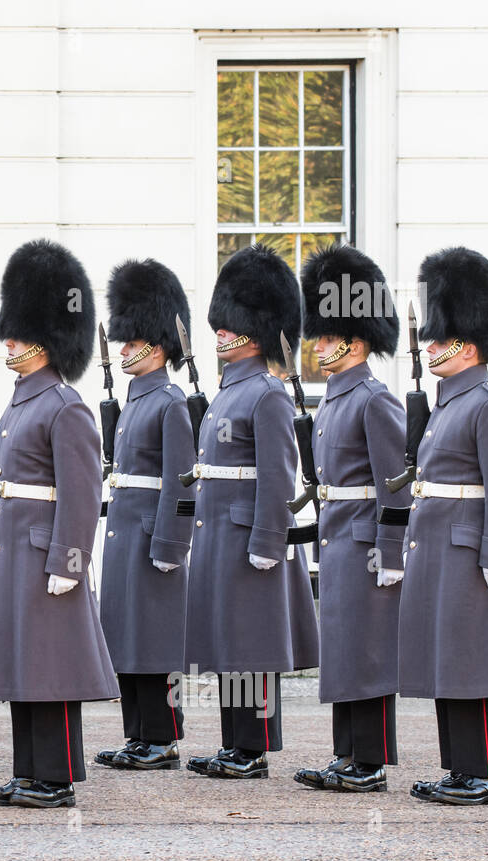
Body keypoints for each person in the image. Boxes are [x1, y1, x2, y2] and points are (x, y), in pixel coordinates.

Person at [0, 239, 119, 810]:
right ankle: (29, 771)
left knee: (52, 667)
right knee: (22, 666)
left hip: (46, 553)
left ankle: (54, 778)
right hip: (16, 546)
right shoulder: (21, 402)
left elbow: (82, 494)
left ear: (44, 337)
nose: (7, 340)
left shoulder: (66, 406)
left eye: (17, 331)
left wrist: (69, 561)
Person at [401, 247, 488, 806]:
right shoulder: (448, 404)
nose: (430, 345)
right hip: (440, 550)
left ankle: (481, 775)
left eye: (440, 336)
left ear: (470, 342)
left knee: (473, 666)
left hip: (472, 554)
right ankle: (458, 769)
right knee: (447, 665)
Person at [183, 244, 319, 781]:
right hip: (219, 529)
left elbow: (278, 474)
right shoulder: (227, 391)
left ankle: (254, 746)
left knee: (252, 644)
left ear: (254, 330)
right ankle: (234, 742)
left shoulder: (267, 394)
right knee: (229, 643)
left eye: (228, 325)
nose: (218, 332)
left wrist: (269, 541)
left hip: (249, 534)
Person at [293, 244, 407, 794]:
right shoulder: (335, 399)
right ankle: (347, 754)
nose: (318, 344)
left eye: (327, 336)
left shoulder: (374, 400)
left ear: (355, 342)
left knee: (368, 652)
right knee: (342, 650)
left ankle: (372, 761)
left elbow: (395, 486)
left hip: (365, 541)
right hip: (338, 536)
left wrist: (390, 552)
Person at [94, 259, 195, 772]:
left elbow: (182, 481)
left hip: (152, 533)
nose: (123, 348)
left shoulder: (170, 402)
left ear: (156, 345)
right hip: (126, 528)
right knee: (128, 637)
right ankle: (137, 735)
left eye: (132, 342)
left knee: (155, 641)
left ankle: (163, 737)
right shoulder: (134, 400)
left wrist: (170, 544)